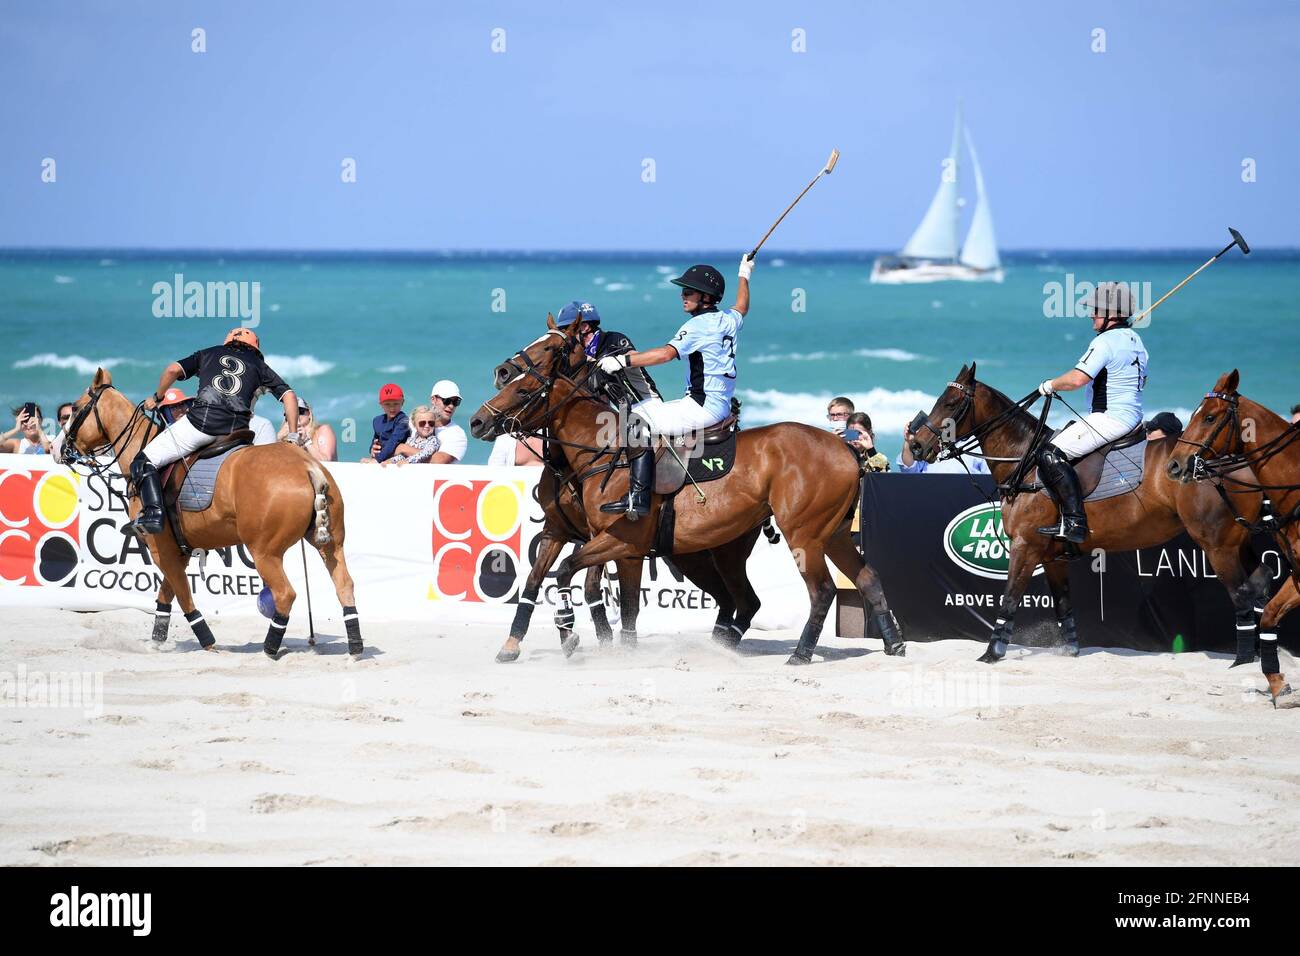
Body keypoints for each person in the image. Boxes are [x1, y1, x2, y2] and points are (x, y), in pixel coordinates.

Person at [595, 256, 752, 517]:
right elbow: (743, 306)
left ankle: (638, 496)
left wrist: (622, 361)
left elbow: (665, 355)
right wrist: (744, 273)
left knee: (635, 421)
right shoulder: (728, 320)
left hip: (701, 408)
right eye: (683, 291)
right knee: (646, 407)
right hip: (721, 406)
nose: (683, 296)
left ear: (706, 296)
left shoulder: (697, 325)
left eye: (688, 291)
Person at [124, 327, 297, 538]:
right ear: (255, 348)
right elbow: (289, 395)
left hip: (201, 425)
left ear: (227, 342)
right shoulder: (259, 366)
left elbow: (171, 370)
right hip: (238, 432)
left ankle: (154, 513)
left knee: (142, 461)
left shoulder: (208, 353)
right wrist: (293, 436)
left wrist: (157, 397)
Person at [1034, 282, 1148, 543]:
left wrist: (1049, 385)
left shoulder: (1105, 341)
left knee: (1049, 454)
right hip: (1134, 417)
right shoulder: (1137, 341)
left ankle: (1074, 522)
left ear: (1112, 314)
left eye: (1096, 310)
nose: (1091, 315)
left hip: (1110, 418)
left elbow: (1077, 379)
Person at [897, 420, 990, 474]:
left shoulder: (975, 444)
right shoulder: (929, 446)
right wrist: (909, 441)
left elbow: (989, 481)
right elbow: (908, 469)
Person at [364, 383, 409, 463]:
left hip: (397, 459)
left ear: (402, 402)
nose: (392, 408)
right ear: (381, 404)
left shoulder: (403, 420)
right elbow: (375, 439)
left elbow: (394, 441)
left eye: (396, 404)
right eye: (387, 404)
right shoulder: (377, 421)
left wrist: (377, 460)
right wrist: (372, 449)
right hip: (382, 458)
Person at [428, 380, 468, 464]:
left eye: (455, 402)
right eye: (447, 401)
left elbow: (439, 461)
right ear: (433, 400)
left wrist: (404, 449)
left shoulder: (457, 433)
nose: (451, 406)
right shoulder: (412, 423)